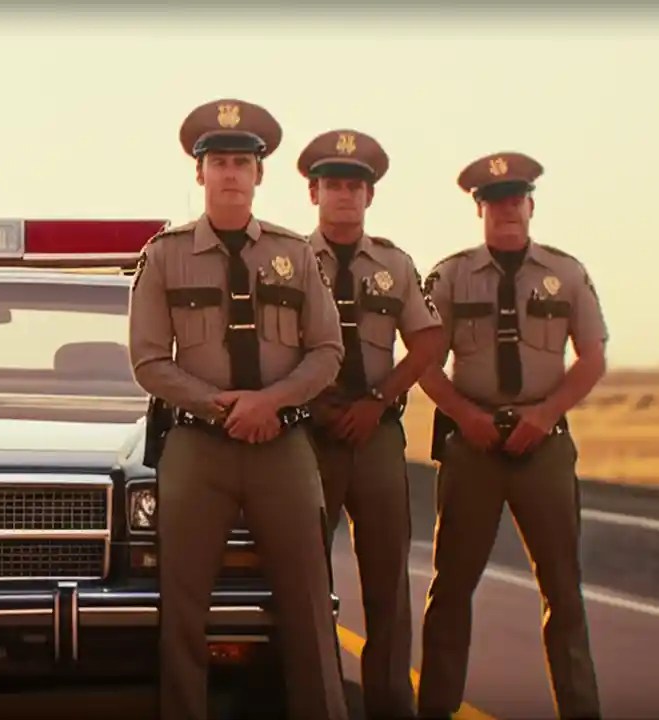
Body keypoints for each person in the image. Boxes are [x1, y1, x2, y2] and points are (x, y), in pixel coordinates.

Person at [128, 98, 349, 720]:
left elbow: (327, 350)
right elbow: (148, 359)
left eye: (241, 162)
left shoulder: (295, 255)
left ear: (259, 175)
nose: (230, 173)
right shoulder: (165, 255)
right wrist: (220, 406)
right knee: (183, 607)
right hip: (199, 450)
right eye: (218, 162)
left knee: (307, 603)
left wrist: (270, 403)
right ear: (200, 174)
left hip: (282, 445)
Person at [417, 152, 606, 719]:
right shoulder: (449, 276)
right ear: (479, 208)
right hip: (472, 446)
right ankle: (436, 709)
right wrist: (463, 415)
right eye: (494, 202)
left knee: (564, 591)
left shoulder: (566, 273)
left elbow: (592, 357)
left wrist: (545, 415)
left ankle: (580, 709)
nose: (506, 211)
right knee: (451, 589)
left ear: (530, 205)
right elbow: (425, 361)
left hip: (542, 444)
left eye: (515, 200)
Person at [296, 129, 445, 717]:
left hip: (377, 435)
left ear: (370, 196)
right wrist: (309, 404)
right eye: (333, 184)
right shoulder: (285, 259)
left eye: (356, 186)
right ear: (313, 192)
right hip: (307, 435)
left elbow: (430, 339)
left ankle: (388, 705)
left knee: (388, 584)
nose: (345, 195)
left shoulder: (394, 263)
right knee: (304, 580)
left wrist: (379, 399)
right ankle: (314, 701)